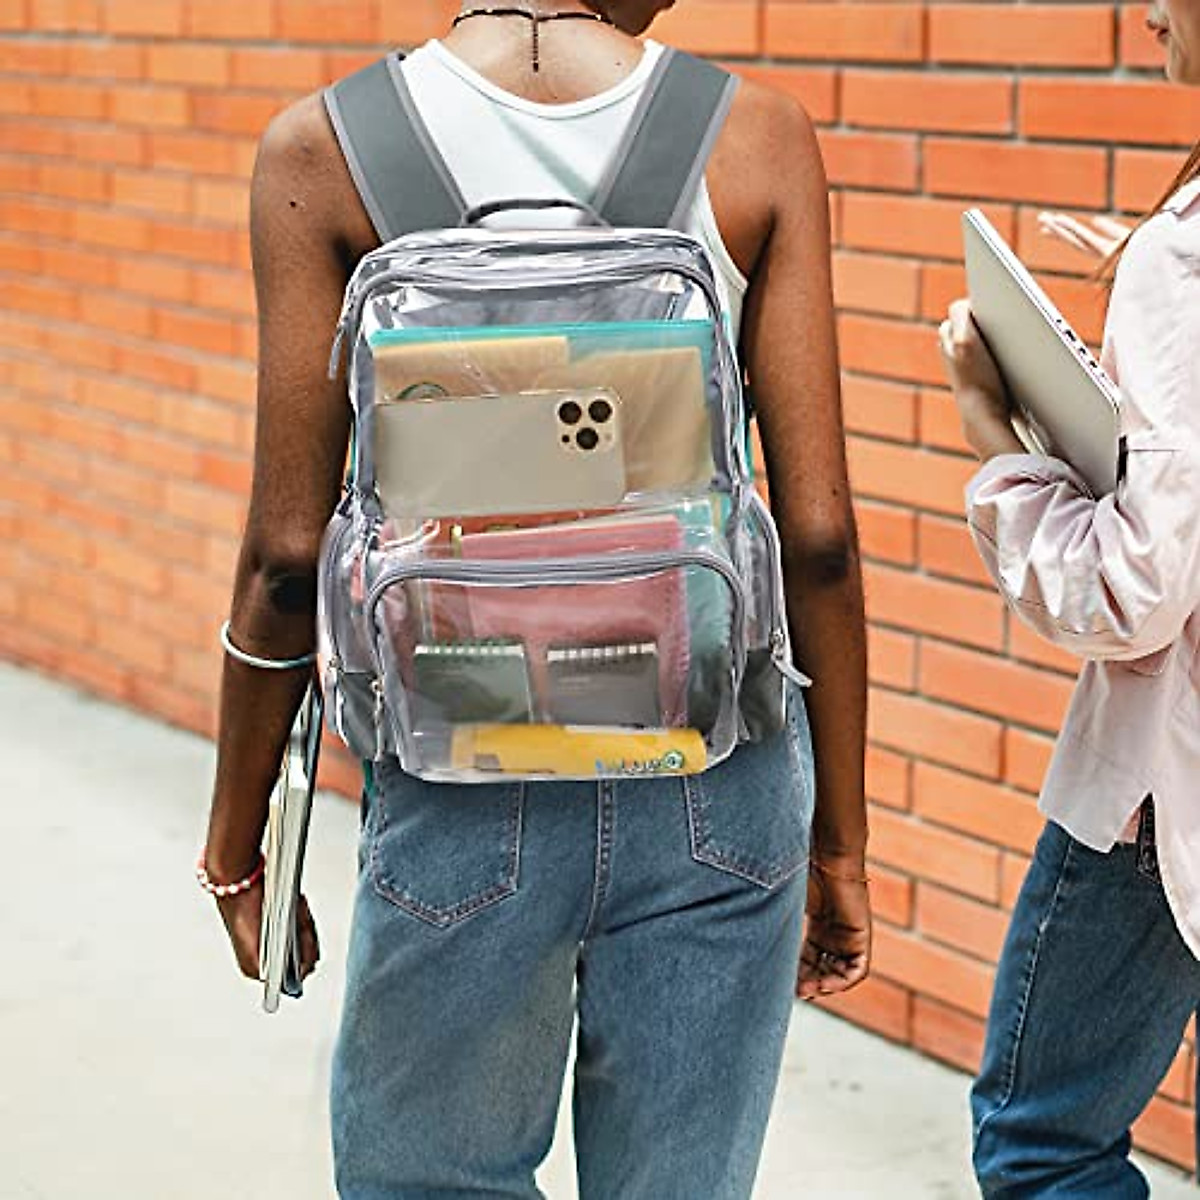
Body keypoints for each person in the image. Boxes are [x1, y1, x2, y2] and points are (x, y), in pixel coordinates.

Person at [200, 3, 871, 1196]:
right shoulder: (754, 137)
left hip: (465, 753)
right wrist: (840, 843)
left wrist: (237, 845)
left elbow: (286, 560)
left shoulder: (325, 149)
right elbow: (816, 540)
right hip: (716, 762)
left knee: (433, 1179)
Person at [938, 1, 1200, 1193]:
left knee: (1046, 1143)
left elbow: (1135, 590)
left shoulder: (1183, 259)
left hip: (1166, 785)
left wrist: (999, 430)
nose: (1148, 11)